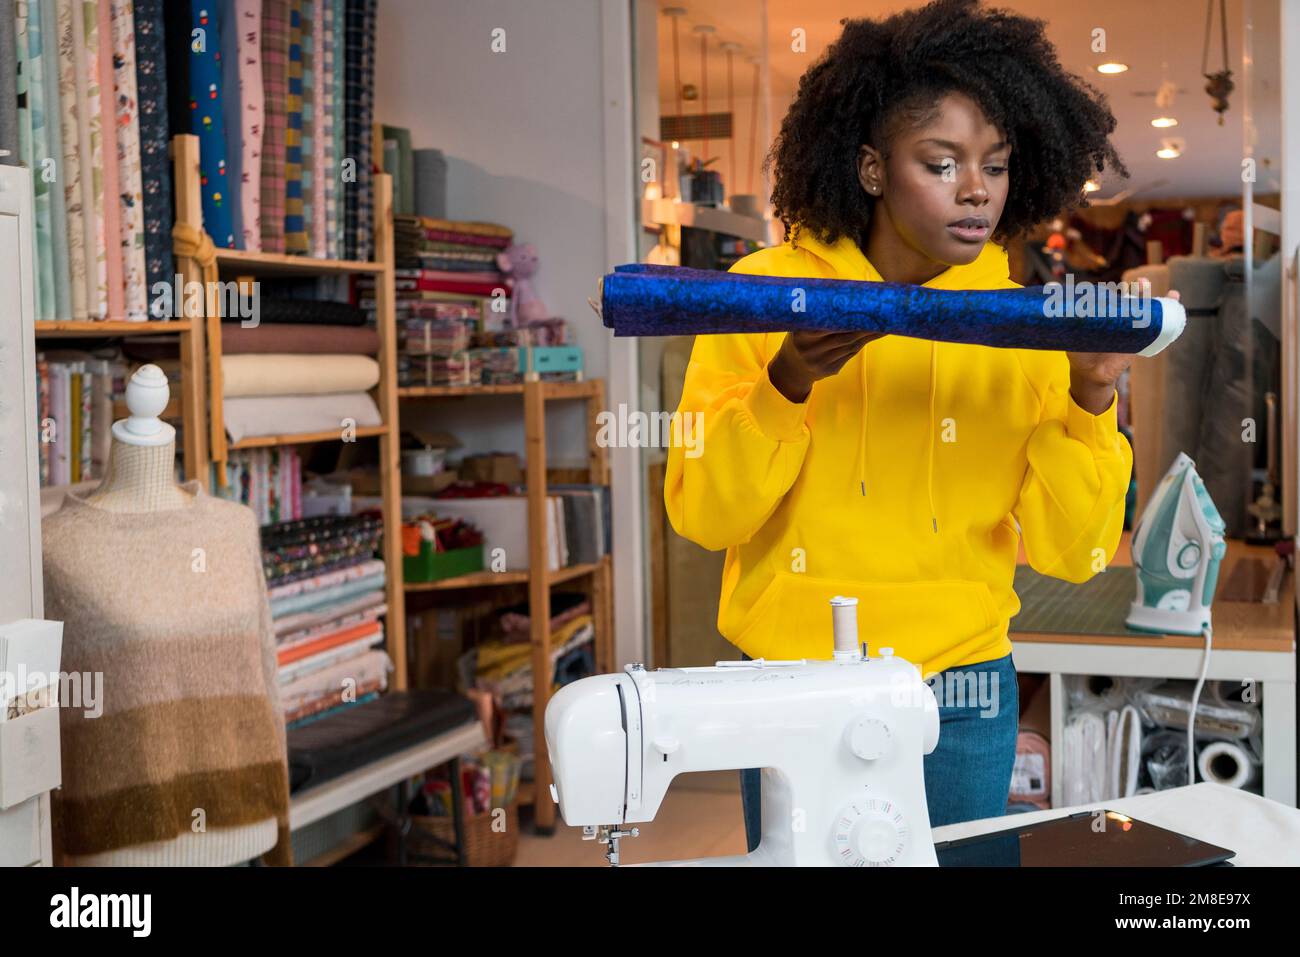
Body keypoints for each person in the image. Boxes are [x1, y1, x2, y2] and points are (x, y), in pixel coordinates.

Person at [663, 0, 1177, 849]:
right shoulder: (763, 293)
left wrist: (1091, 402)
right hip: (791, 684)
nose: (977, 189)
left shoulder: (1026, 326)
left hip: (962, 691)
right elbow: (702, 515)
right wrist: (788, 379)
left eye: (997, 165)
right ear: (872, 168)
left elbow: (1072, 554)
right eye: (942, 163)